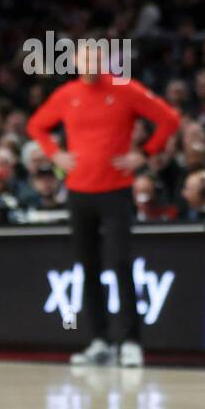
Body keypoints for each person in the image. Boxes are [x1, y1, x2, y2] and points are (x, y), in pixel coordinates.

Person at [27, 42, 180, 367]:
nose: (91, 61)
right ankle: (98, 341)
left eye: (96, 56)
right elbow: (36, 126)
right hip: (79, 192)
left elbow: (169, 119)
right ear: (75, 61)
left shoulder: (125, 88)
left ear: (105, 59)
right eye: (85, 56)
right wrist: (55, 154)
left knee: (121, 264)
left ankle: (131, 342)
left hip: (116, 190)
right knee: (88, 267)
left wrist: (145, 154)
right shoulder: (67, 94)